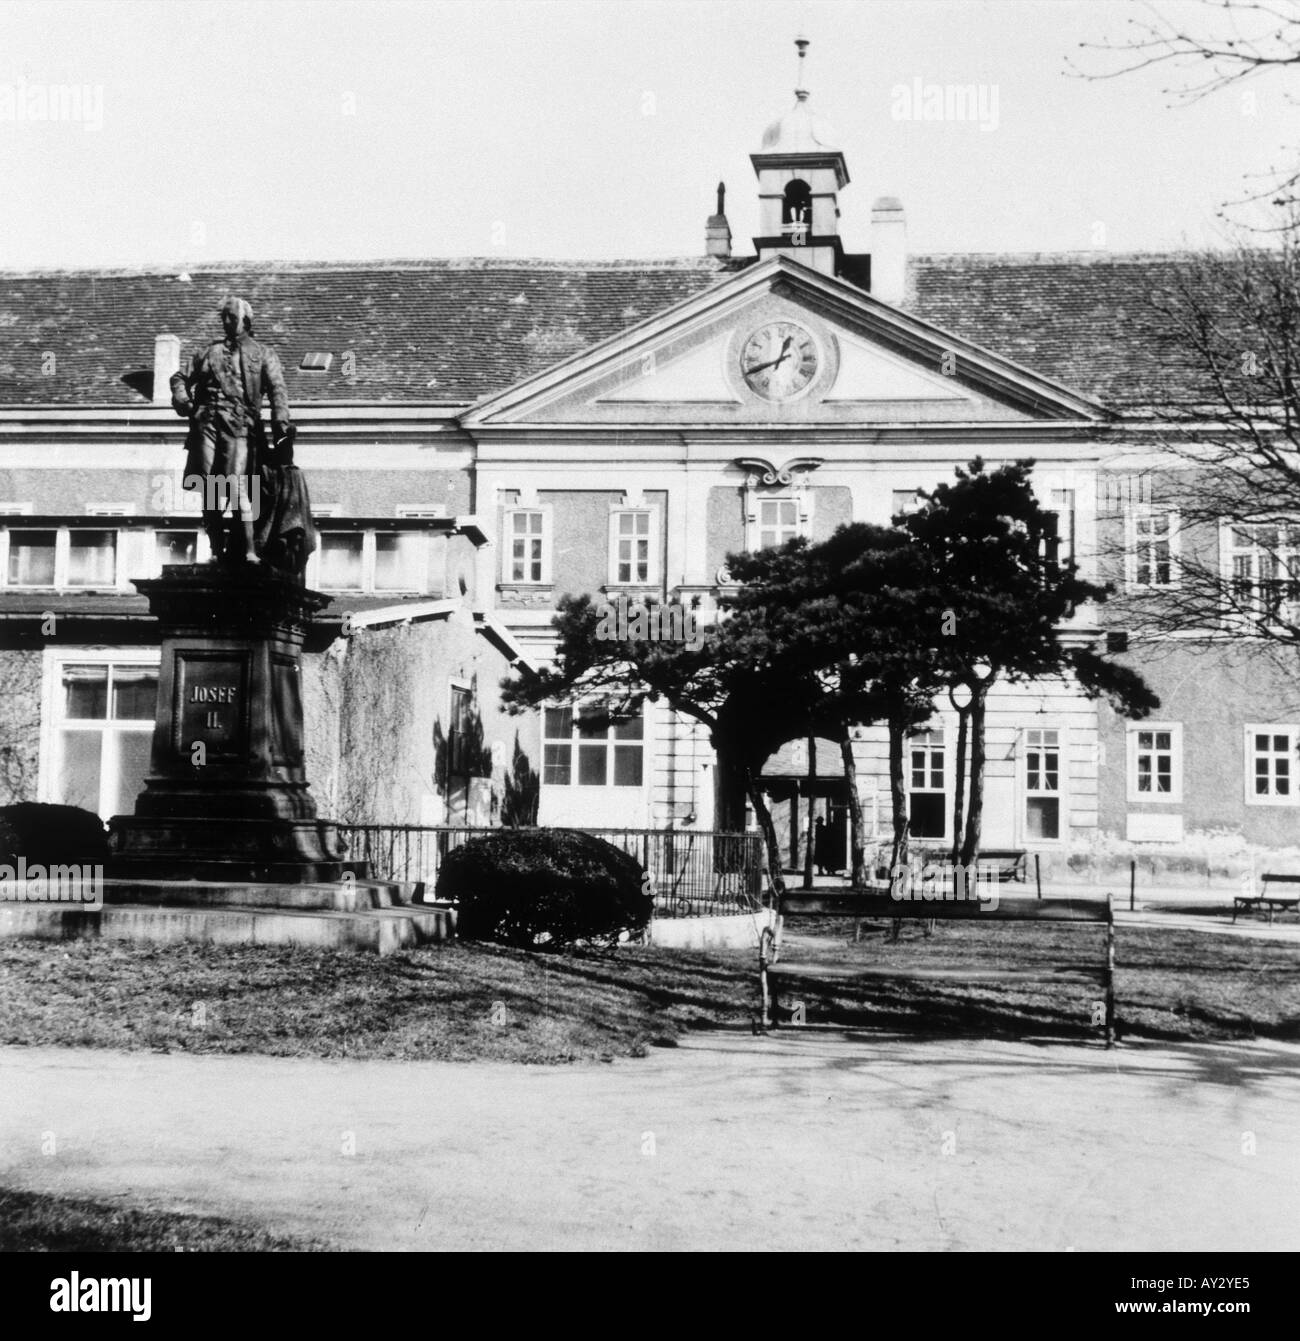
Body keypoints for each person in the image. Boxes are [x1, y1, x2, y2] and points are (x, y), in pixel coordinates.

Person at [169, 296, 293, 566]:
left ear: (245, 320)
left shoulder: (262, 354)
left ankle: (249, 551)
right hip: (207, 425)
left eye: (230, 317)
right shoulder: (208, 352)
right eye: (223, 317)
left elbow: (278, 393)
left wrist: (281, 429)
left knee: (236, 485)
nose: (225, 322)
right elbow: (179, 377)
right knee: (210, 487)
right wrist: (186, 402)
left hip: (240, 426)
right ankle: (215, 551)